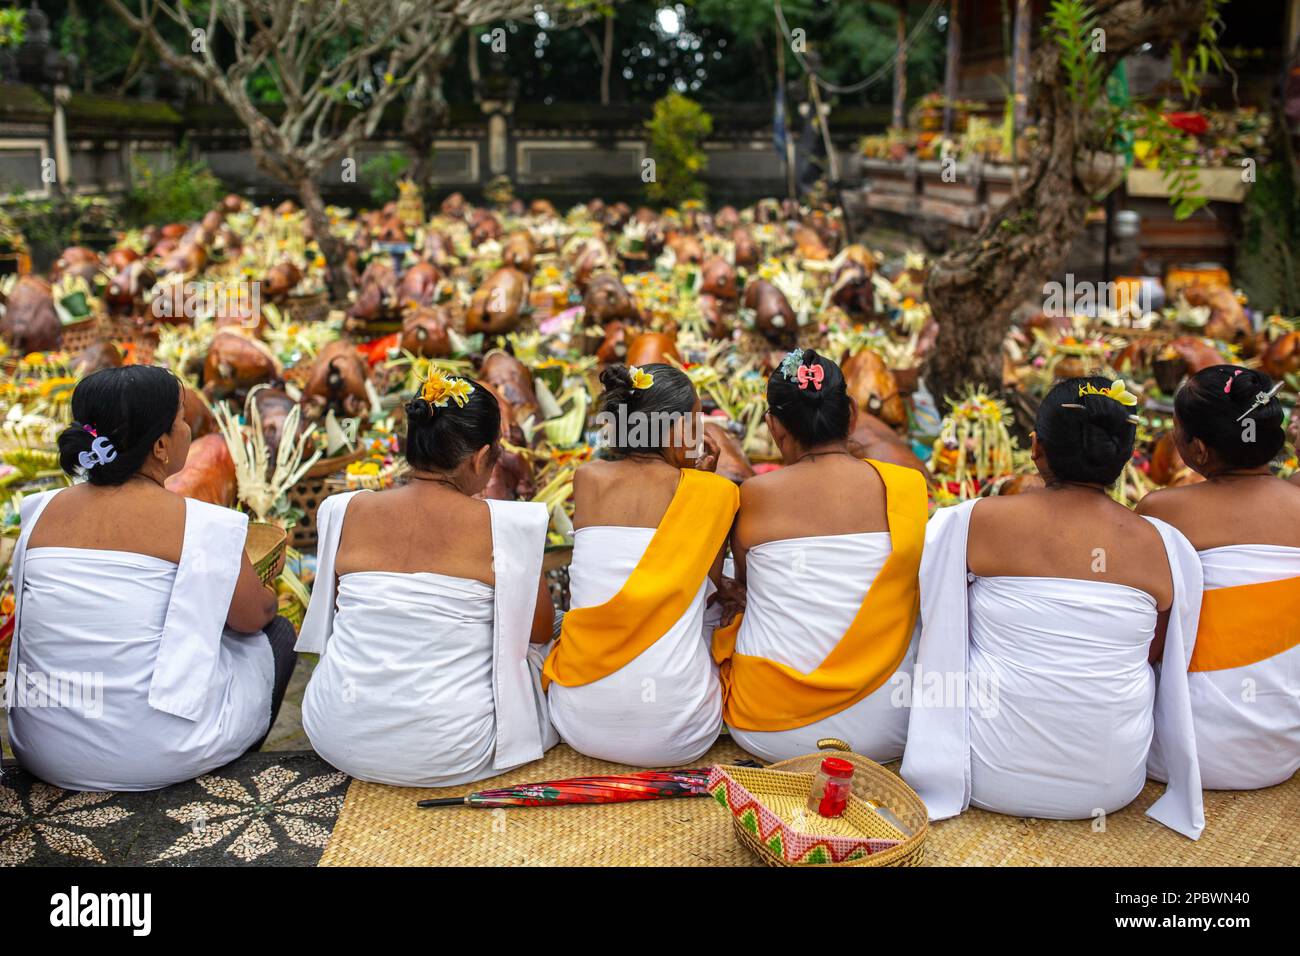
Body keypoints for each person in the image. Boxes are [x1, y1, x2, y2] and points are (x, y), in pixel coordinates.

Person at [901, 377, 1205, 839]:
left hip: (982, 771)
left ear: (1036, 448)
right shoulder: (1165, 547)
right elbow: (1156, 654)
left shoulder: (969, 521)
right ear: (1124, 457)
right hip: (1110, 783)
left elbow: (937, 625)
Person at [7, 365, 293, 791]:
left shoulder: (38, 512)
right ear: (161, 445)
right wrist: (265, 592)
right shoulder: (204, 524)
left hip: (41, 748)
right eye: (181, 419)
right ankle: (211, 772)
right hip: (149, 755)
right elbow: (254, 618)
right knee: (278, 636)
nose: (186, 429)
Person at [297, 371, 557, 786]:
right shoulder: (509, 525)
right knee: (556, 642)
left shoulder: (342, 509)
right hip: (454, 748)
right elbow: (538, 632)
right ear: (479, 458)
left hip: (335, 731)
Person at [712, 349, 927, 762]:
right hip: (892, 728)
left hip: (768, 727)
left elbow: (744, 588)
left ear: (774, 426)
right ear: (851, 413)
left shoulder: (755, 495)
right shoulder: (908, 486)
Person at [543, 363, 735, 766]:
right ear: (680, 429)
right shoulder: (714, 492)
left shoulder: (588, 478)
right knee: (720, 604)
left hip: (577, 724)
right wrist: (702, 486)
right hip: (680, 734)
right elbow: (708, 588)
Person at [1137, 365, 1300, 790]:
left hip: (1174, 753)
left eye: (1177, 431)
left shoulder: (1164, 510)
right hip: (1280, 752)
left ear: (1201, 451)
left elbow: (1144, 643)